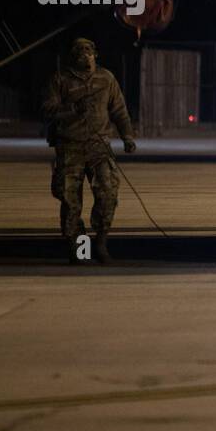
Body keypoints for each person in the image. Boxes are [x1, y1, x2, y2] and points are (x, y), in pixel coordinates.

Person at [42, 38, 137, 264]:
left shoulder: (106, 79)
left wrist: (127, 136)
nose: (85, 55)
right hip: (70, 146)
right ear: (73, 56)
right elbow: (48, 110)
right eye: (80, 52)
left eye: (89, 51)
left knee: (108, 191)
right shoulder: (60, 79)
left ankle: (101, 243)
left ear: (96, 54)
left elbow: (119, 109)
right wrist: (72, 110)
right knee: (69, 199)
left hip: (99, 146)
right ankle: (76, 244)